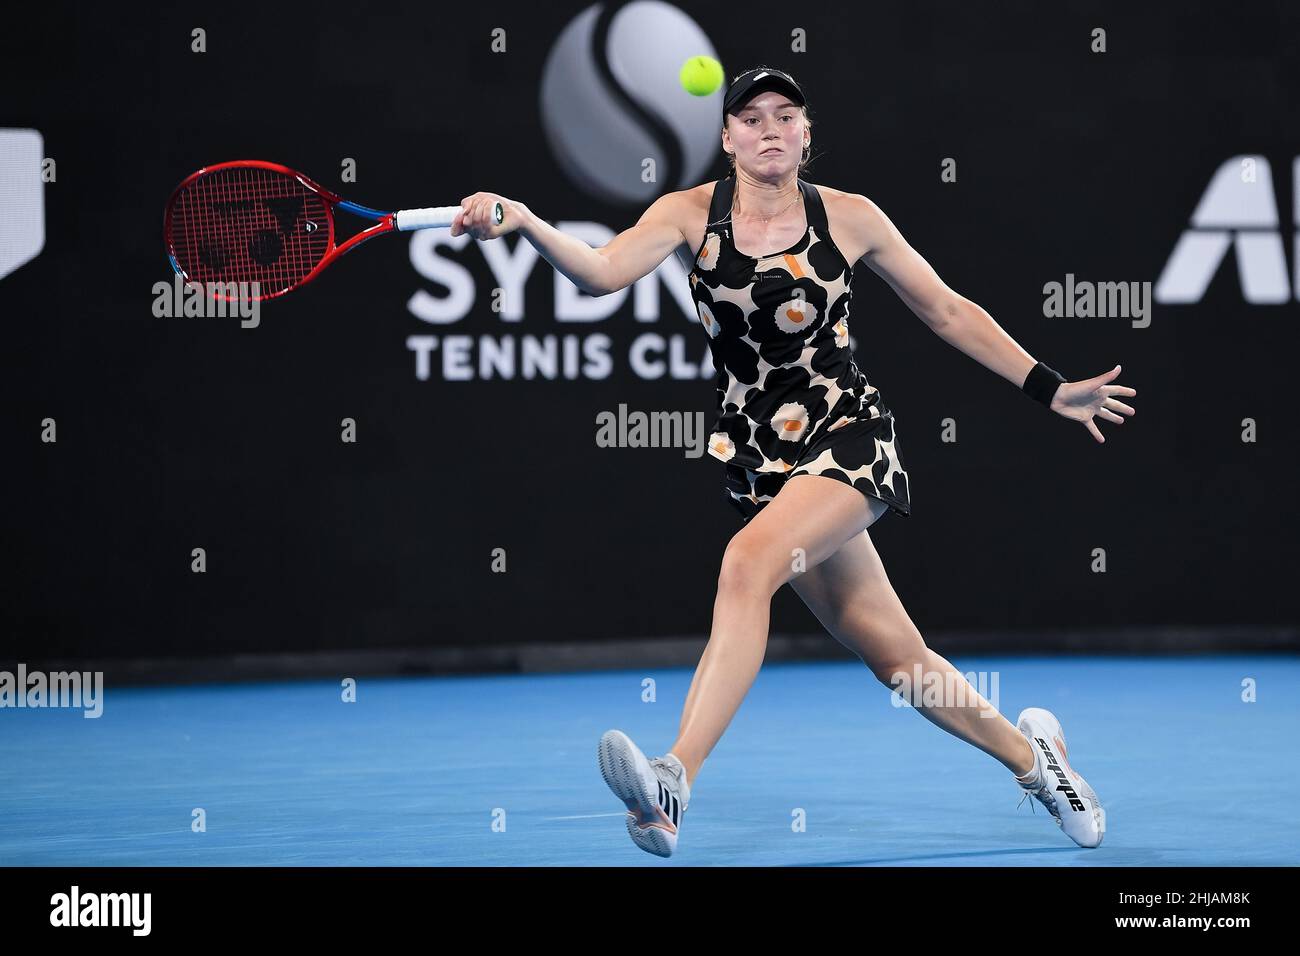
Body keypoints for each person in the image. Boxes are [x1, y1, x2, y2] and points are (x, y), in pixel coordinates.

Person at [451, 66, 1133, 858]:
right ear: (728, 137)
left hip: (849, 437)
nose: (769, 128)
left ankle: (674, 779)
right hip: (758, 460)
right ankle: (1037, 763)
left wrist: (1050, 389)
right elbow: (601, 273)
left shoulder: (849, 217)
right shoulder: (684, 215)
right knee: (898, 661)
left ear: (807, 134)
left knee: (746, 565)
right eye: (751, 117)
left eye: (786, 115)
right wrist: (529, 221)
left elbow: (947, 309)